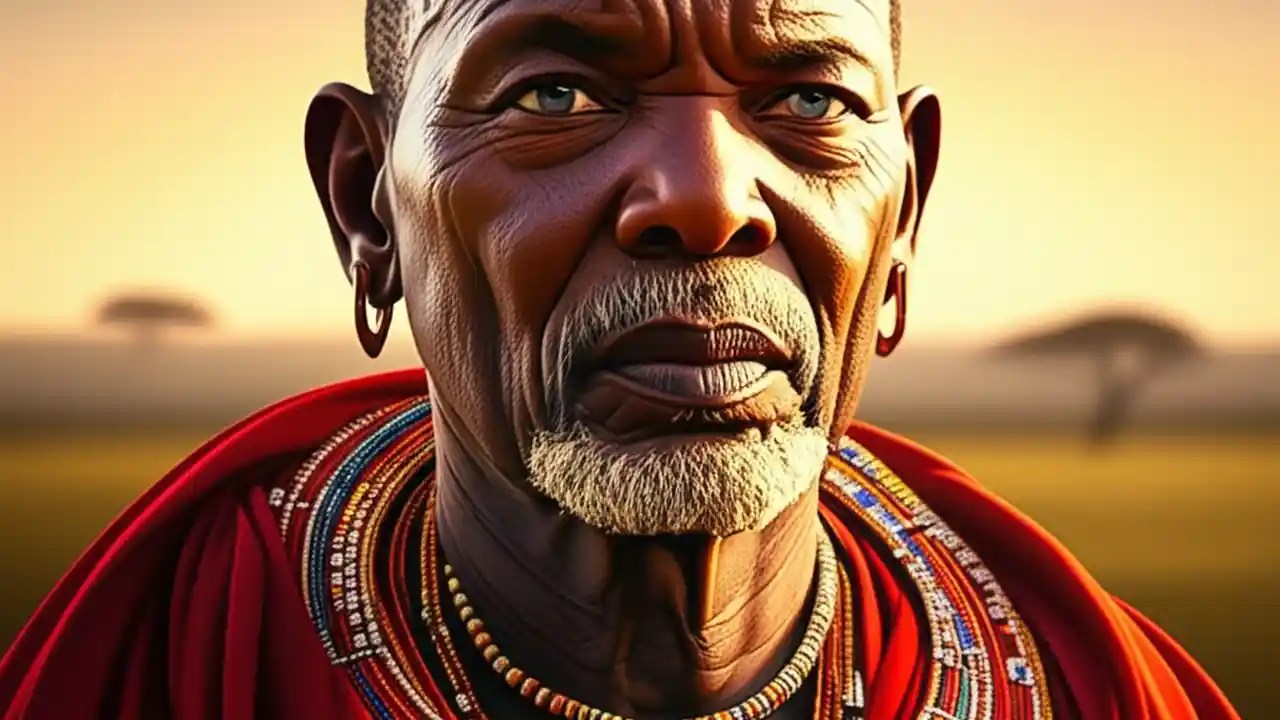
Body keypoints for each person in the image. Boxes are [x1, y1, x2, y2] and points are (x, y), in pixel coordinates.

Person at [0, 1, 1240, 718]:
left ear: (902, 214)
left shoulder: (1086, 684)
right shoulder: (168, 657)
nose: (706, 202)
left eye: (808, 102)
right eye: (553, 96)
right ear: (365, 206)